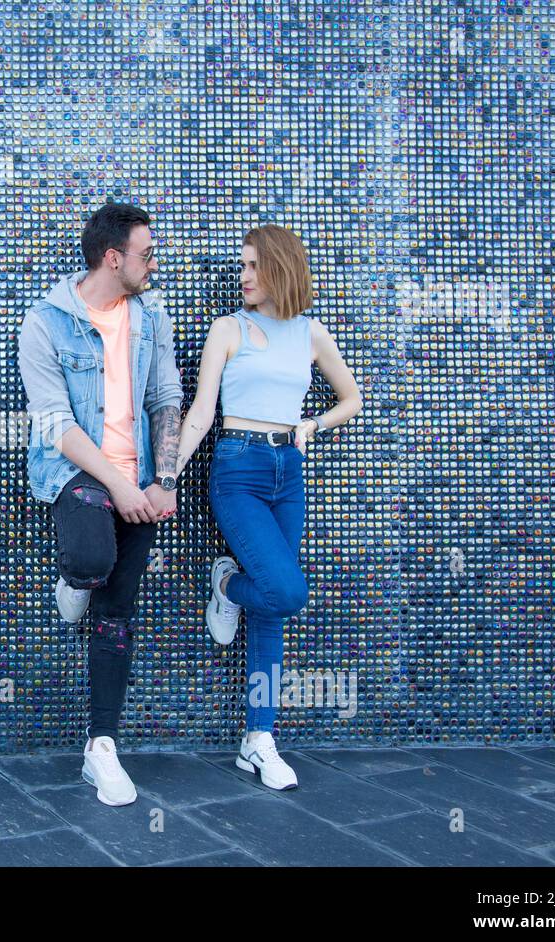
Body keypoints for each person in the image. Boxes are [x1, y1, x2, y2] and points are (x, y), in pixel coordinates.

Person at [173, 224, 362, 790]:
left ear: (281, 267)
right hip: (238, 470)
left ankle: (259, 740)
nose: (245, 275)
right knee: (285, 589)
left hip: (288, 471)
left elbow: (352, 397)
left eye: (254, 265)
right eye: (243, 265)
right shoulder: (229, 328)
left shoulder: (310, 333)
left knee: (273, 610)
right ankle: (227, 584)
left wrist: (313, 423)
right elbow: (201, 411)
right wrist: (168, 476)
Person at [17, 203, 183, 806]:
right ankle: (76, 576)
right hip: (79, 471)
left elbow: (166, 397)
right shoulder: (46, 322)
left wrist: (163, 479)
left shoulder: (151, 314)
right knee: (90, 558)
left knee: (117, 611)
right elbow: (57, 425)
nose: (153, 262)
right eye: (146, 252)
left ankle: (102, 748)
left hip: (142, 481)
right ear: (113, 257)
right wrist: (119, 483)